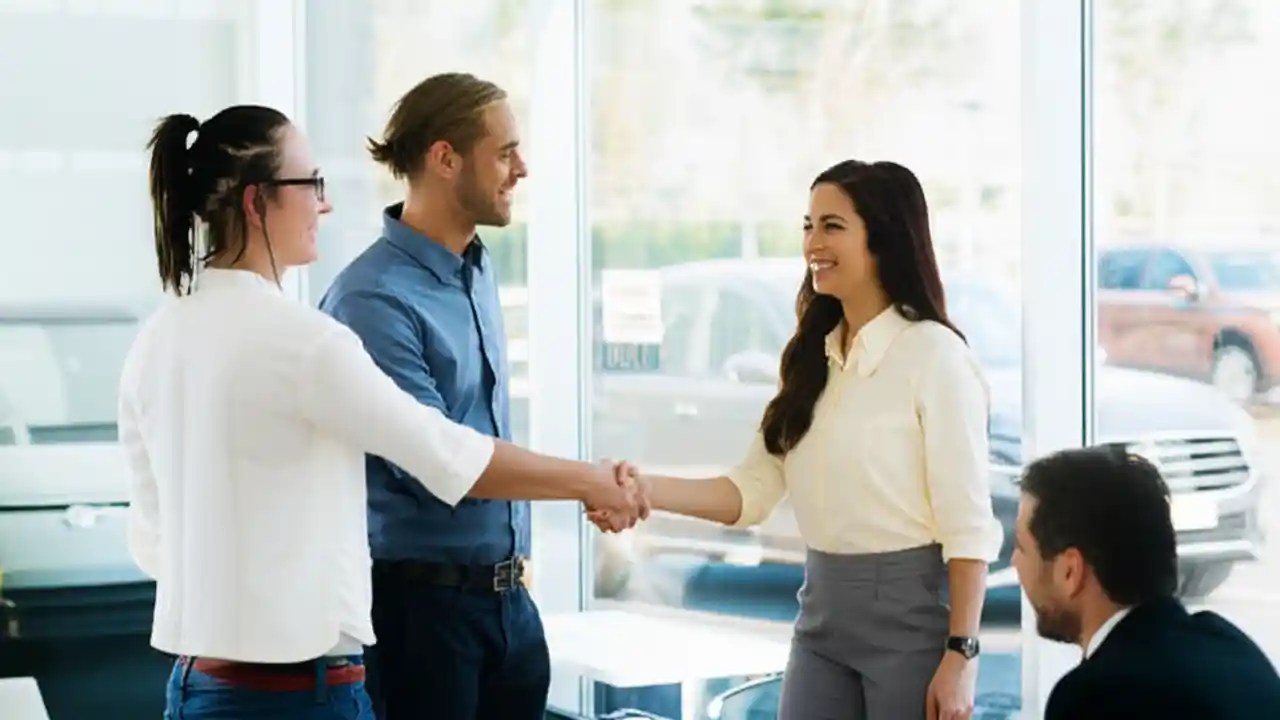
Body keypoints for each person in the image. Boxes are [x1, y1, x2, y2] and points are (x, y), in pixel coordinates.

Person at [124, 105, 645, 720]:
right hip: (300, 695)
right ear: (256, 202)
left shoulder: (156, 339)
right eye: (311, 185)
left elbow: (152, 535)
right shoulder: (305, 343)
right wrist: (591, 481)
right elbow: (446, 456)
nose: (325, 205)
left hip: (197, 689)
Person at [594, 159, 1004, 719]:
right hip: (820, 619)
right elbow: (749, 492)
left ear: (883, 237)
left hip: (912, 626)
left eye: (832, 225)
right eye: (808, 225)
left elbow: (967, 524)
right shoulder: (813, 358)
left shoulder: (936, 357)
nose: (813, 241)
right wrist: (641, 488)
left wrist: (962, 652)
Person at [317, 72, 575, 720]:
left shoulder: (476, 269)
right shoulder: (370, 299)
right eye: (506, 151)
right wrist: (590, 482)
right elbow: (444, 462)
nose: (523, 167)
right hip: (422, 617)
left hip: (510, 607)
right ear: (444, 158)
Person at [1012, 445, 1280, 719]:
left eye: (1021, 547)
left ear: (1071, 571)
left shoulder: (1093, 697)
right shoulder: (1233, 650)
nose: (1015, 562)